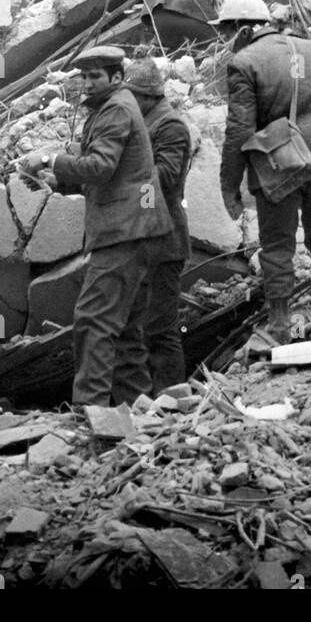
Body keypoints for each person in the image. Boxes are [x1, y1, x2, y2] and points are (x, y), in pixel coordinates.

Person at [20, 45, 171, 409]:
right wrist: (58, 177)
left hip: (124, 230)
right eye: (84, 76)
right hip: (137, 228)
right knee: (126, 329)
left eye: (95, 76)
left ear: (117, 77)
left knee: (93, 321)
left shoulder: (116, 108)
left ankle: (90, 412)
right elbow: (110, 170)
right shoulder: (113, 106)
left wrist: (50, 158)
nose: (87, 84)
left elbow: (101, 167)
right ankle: (136, 409)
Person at [215, 0, 311, 342]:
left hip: (281, 162)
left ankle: (281, 325)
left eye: (225, 32)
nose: (225, 42)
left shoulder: (243, 63)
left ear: (242, 29)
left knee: (277, 243)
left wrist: (229, 185)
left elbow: (239, 130)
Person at [125, 58, 192, 394]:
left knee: (160, 328)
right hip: (141, 238)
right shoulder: (142, 121)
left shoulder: (170, 126)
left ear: (147, 96)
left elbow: (163, 180)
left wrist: (123, 171)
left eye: (130, 96)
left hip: (164, 241)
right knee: (137, 326)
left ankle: (171, 398)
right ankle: (146, 400)